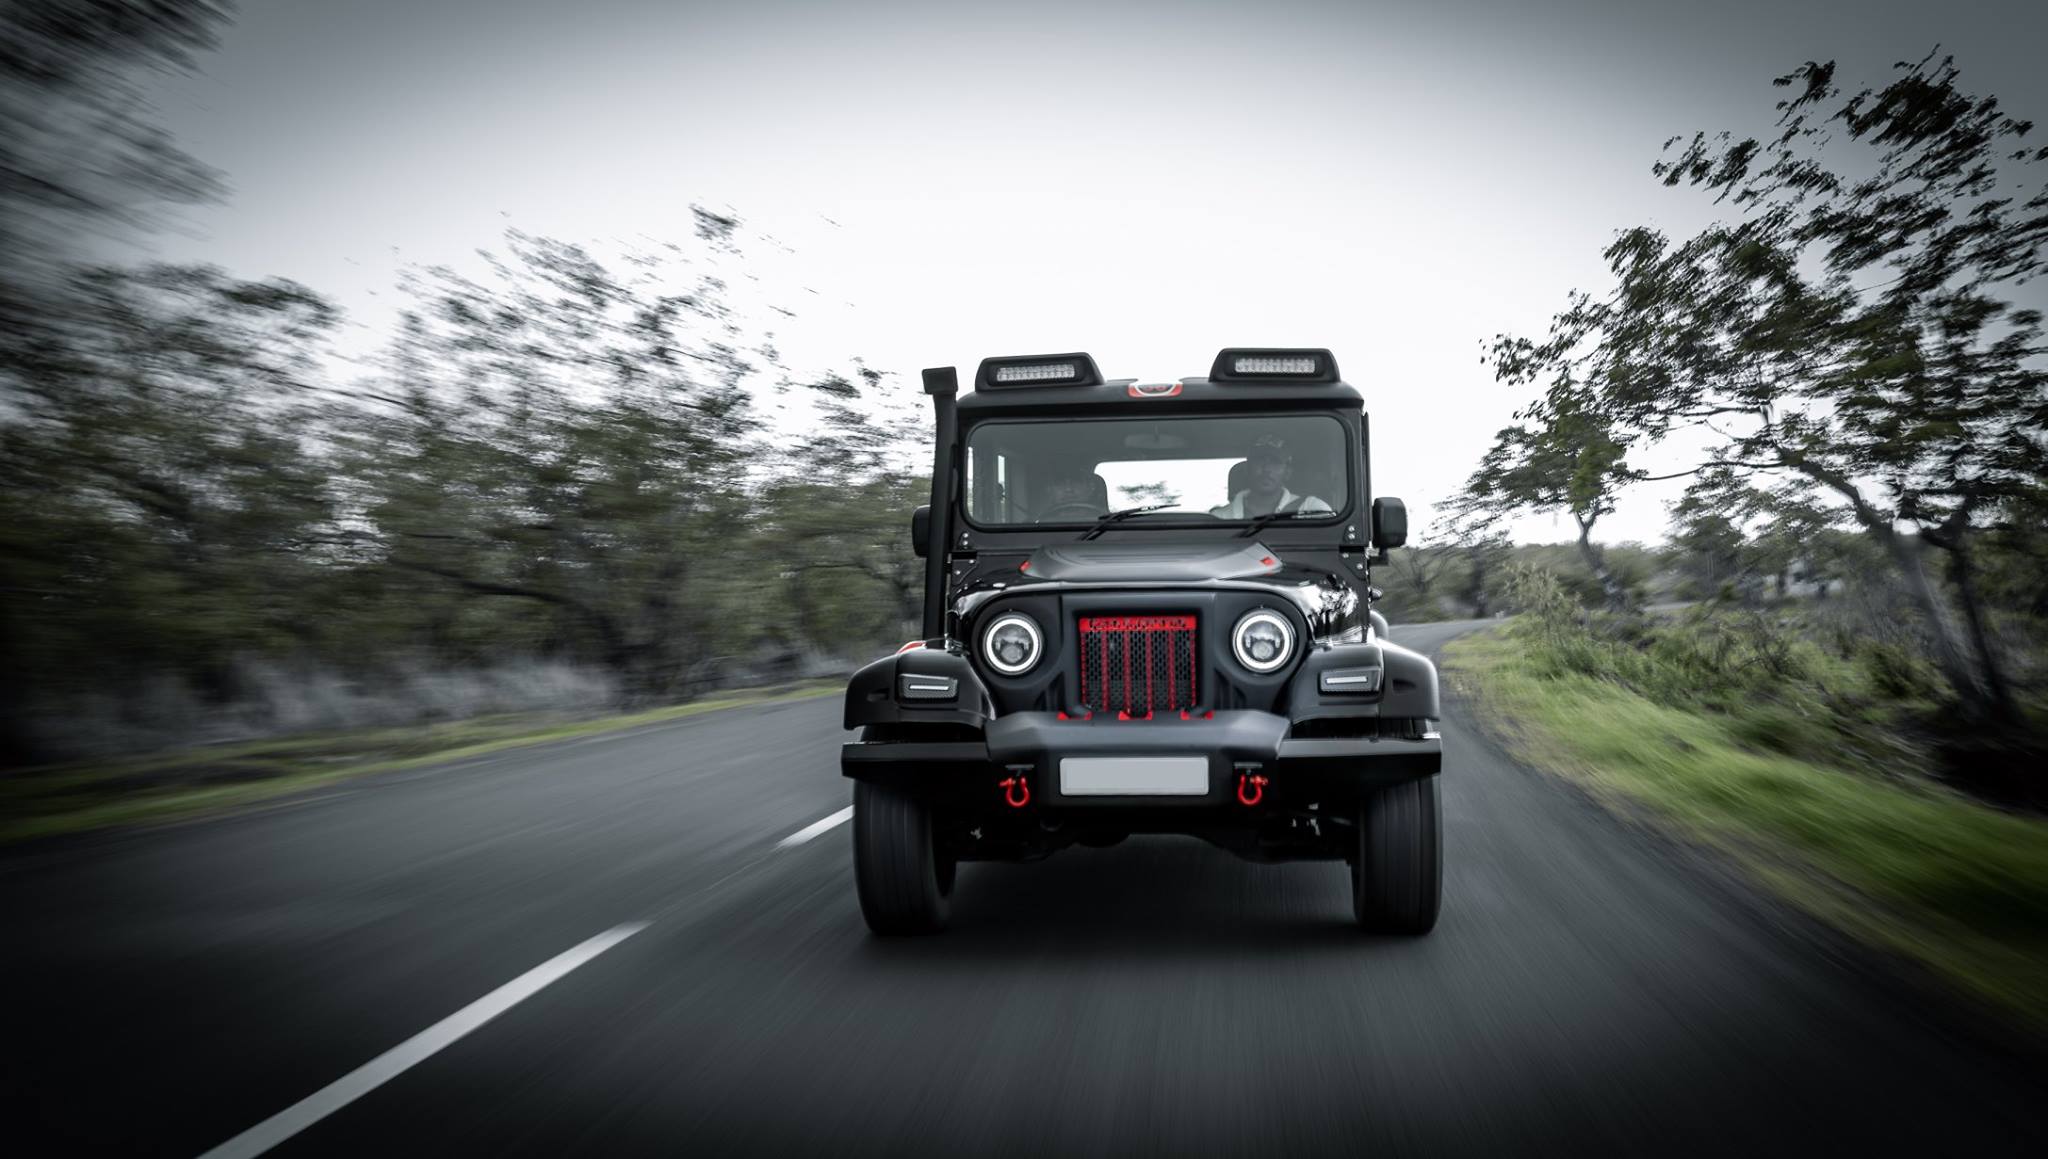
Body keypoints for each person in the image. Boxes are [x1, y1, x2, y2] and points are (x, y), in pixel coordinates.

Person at [1209, 433, 1331, 518]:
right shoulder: (1220, 517)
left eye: (1275, 462)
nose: (1266, 469)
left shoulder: (1312, 510)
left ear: (1287, 472)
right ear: (1247, 469)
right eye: (1259, 460)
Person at [1033, 462, 1105, 522]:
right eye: (1060, 483)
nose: (1068, 489)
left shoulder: (1108, 523)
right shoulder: (1034, 526)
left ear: (1091, 487)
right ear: (1050, 489)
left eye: (1077, 482)